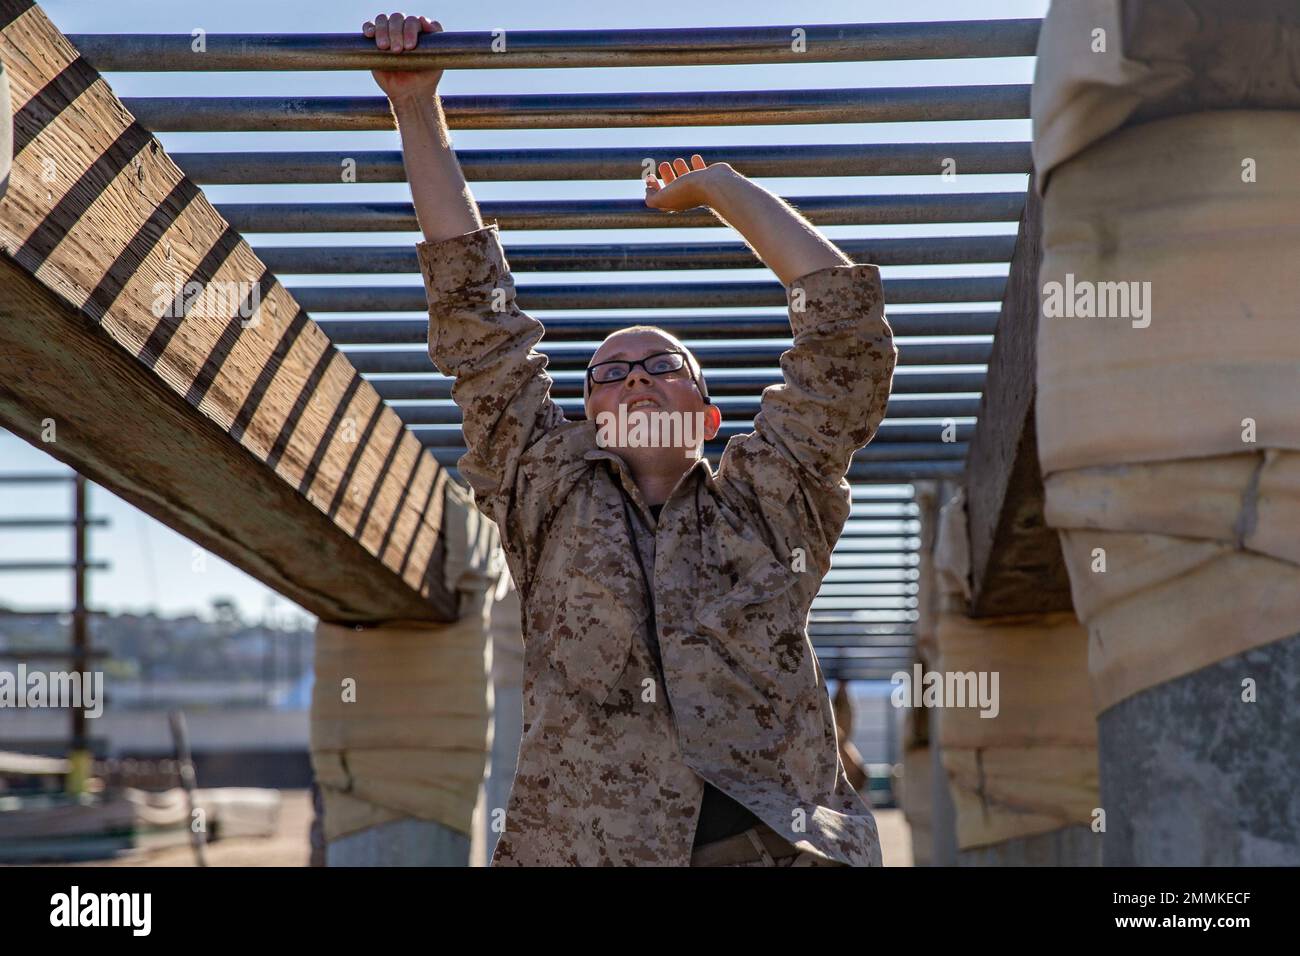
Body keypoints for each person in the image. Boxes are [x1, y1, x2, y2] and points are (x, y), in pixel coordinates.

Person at [363, 12, 897, 866]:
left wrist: (725, 188)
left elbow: (845, 338)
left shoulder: (770, 499)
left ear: (709, 416)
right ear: (587, 422)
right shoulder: (545, 492)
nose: (637, 376)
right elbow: (477, 324)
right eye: (609, 373)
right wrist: (417, 108)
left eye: (663, 364)